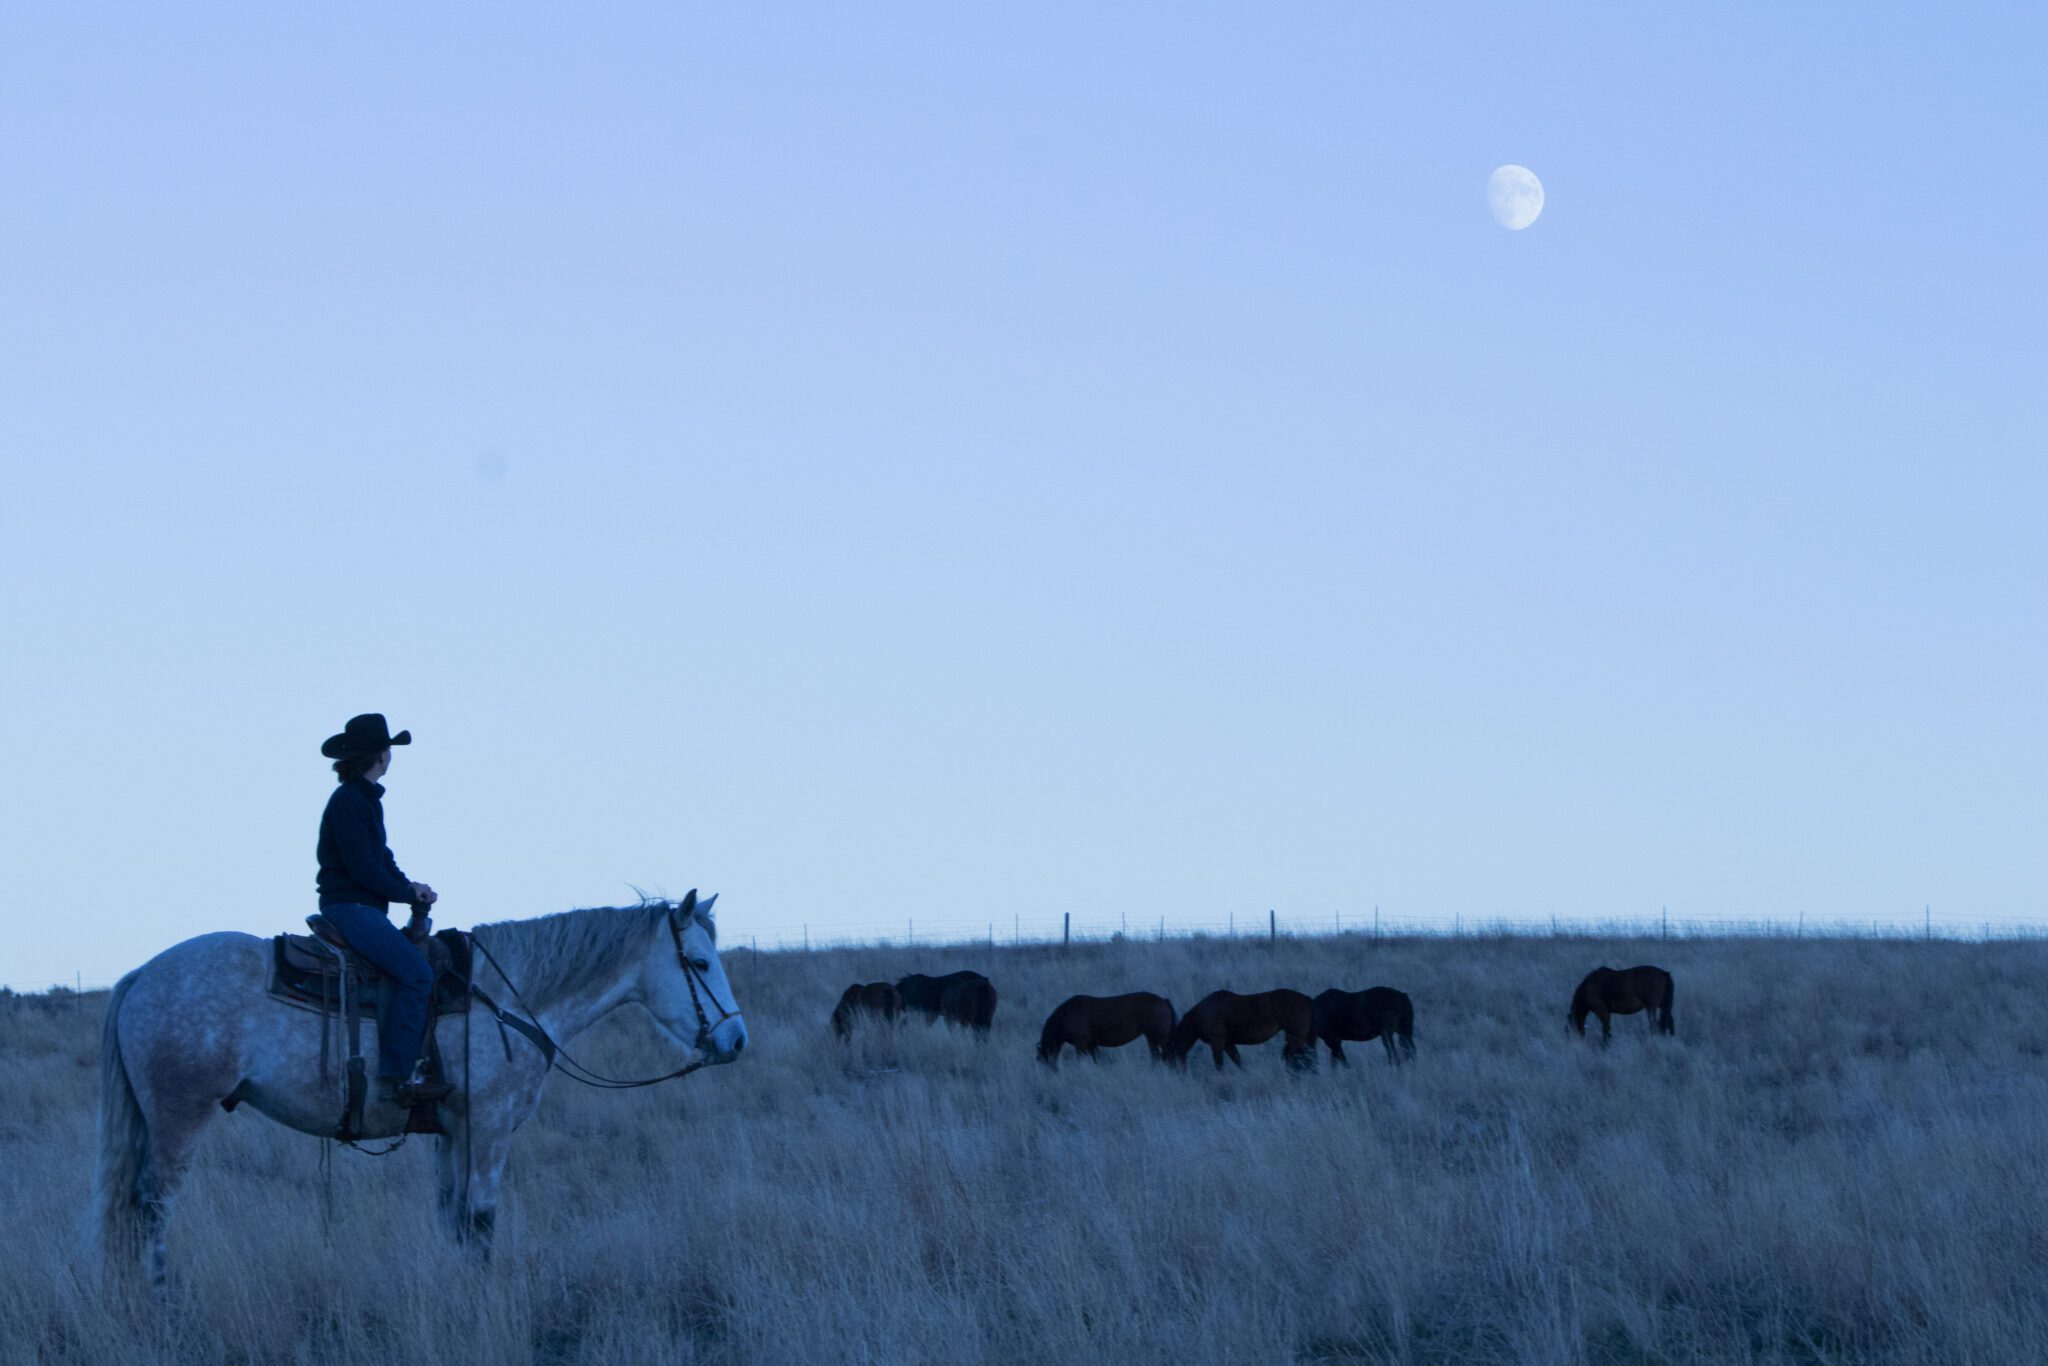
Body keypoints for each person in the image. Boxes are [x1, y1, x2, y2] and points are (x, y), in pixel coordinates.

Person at [315, 713, 454, 1105]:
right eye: (389, 749)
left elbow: (383, 860)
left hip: (362, 907)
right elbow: (363, 869)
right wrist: (407, 895)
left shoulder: (363, 800)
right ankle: (401, 1075)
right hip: (350, 907)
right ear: (381, 755)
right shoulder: (350, 801)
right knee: (417, 974)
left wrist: (411, 886)